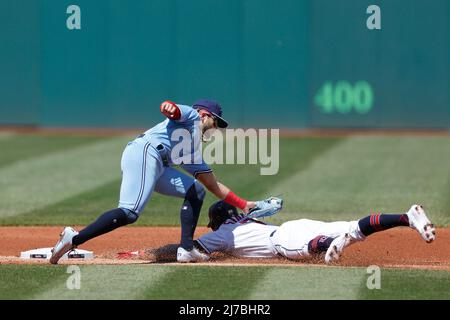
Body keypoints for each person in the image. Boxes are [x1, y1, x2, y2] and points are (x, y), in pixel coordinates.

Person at [50, 99, 273, 264]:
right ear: (205, 115)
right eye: (216, 122)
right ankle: (74, 238)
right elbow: (174, 110)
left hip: (158, 163)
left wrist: (243, 204)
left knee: (196, 190)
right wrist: (170, 109)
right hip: (145, 153)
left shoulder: (190, 150)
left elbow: (213, 184)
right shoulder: (192, 116)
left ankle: (186, 249)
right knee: (129, 212)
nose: (215, 128)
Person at [193, 201, 436, 263]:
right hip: (297, 224)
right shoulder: (248, 220)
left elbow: (193, 250)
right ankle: (407, 217)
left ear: (216, 221)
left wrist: (162, 252)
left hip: (282, 240)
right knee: (353, 227)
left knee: (310, 247)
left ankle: (332, 244)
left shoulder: (224, 233)